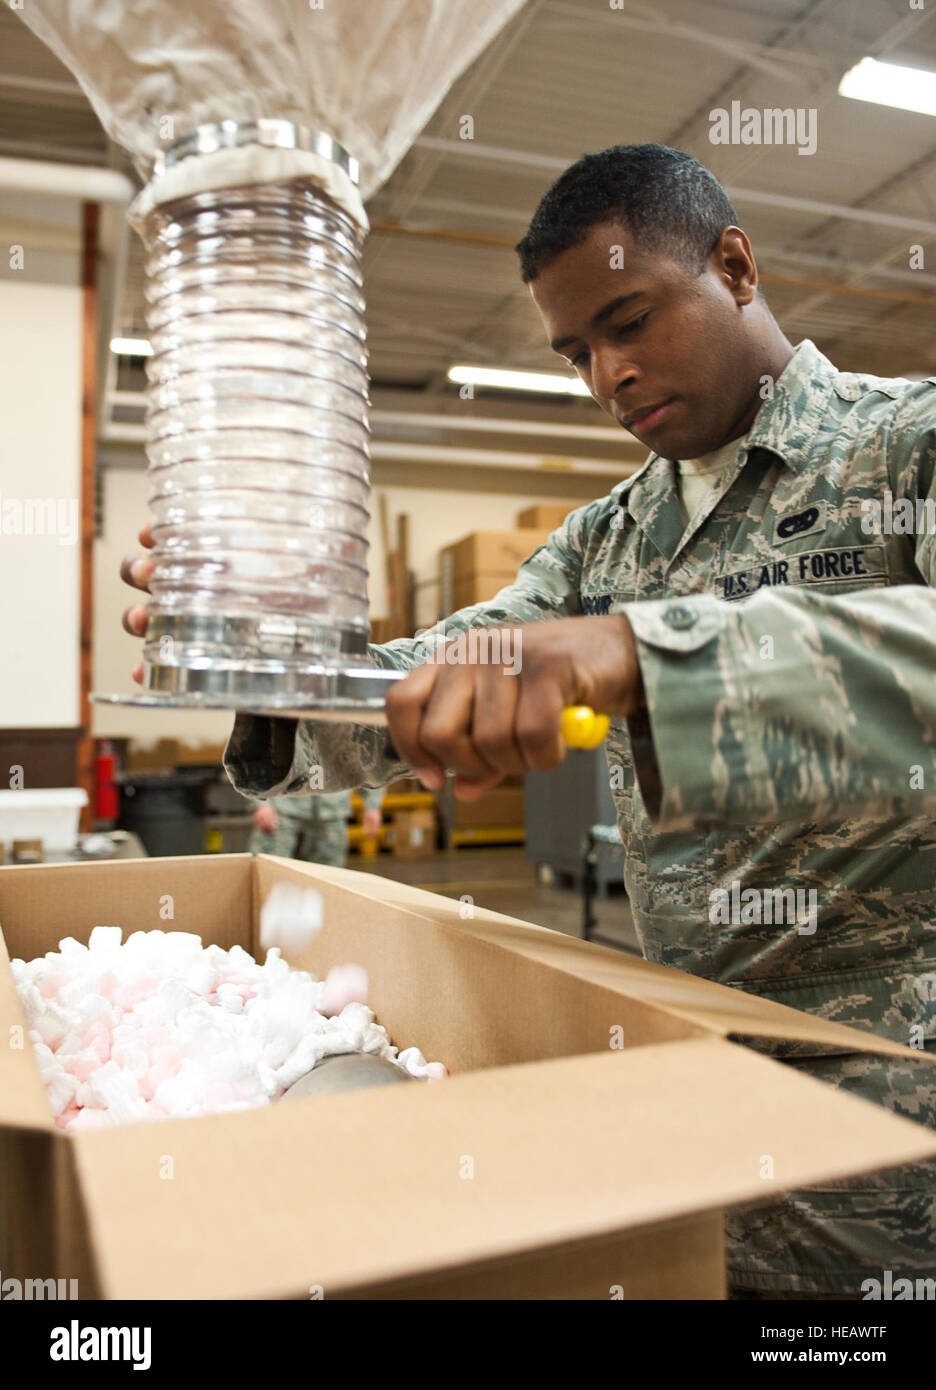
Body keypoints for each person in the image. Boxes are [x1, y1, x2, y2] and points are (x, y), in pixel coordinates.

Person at [122, 143, 936, 1299]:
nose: (608, 374)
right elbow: (429, 682)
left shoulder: (905, 446)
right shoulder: (606, 543)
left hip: (897, 1117)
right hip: (694, 1078)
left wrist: (641, 653)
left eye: (629, 320)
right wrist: (258, 654)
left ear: (737, 266)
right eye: (577, 352)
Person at [247, 789, 383, 866]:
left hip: (331, 814)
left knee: (328, 883)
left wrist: (372, 804)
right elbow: (254, 752)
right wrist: (261, 802)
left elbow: (366, 753)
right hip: (281, 811)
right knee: (268, 876)